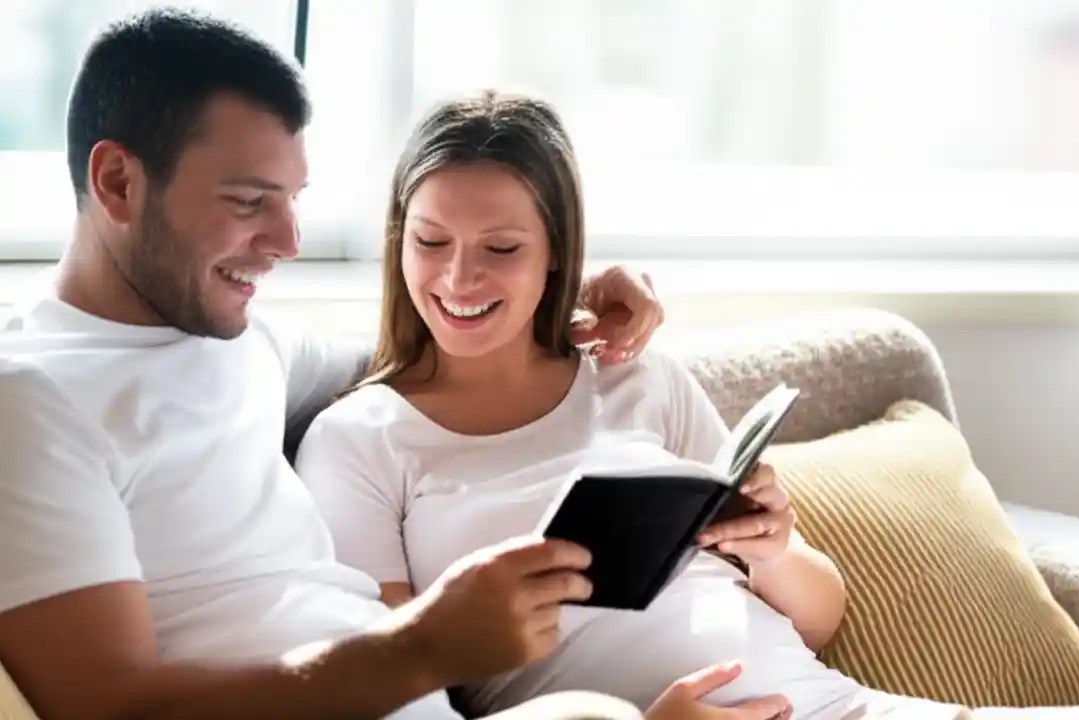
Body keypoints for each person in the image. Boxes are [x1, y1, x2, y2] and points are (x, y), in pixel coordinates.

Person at [0, 9, 781, 720]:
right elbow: (103, 705)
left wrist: (565, 284)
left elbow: (436, 351)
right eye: (248, 203)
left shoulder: (241, 338)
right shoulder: (29, 398)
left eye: (293, 200)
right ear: (117, 181)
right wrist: (425, 645)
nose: (287, 242)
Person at [294, 91, 984, 720]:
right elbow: (394, 693)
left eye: (501, 248)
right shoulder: (360, 439)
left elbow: (818, 621)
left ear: (557, 253)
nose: (457, 277)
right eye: (430, 241)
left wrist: (773, 550)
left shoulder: (638, 377)